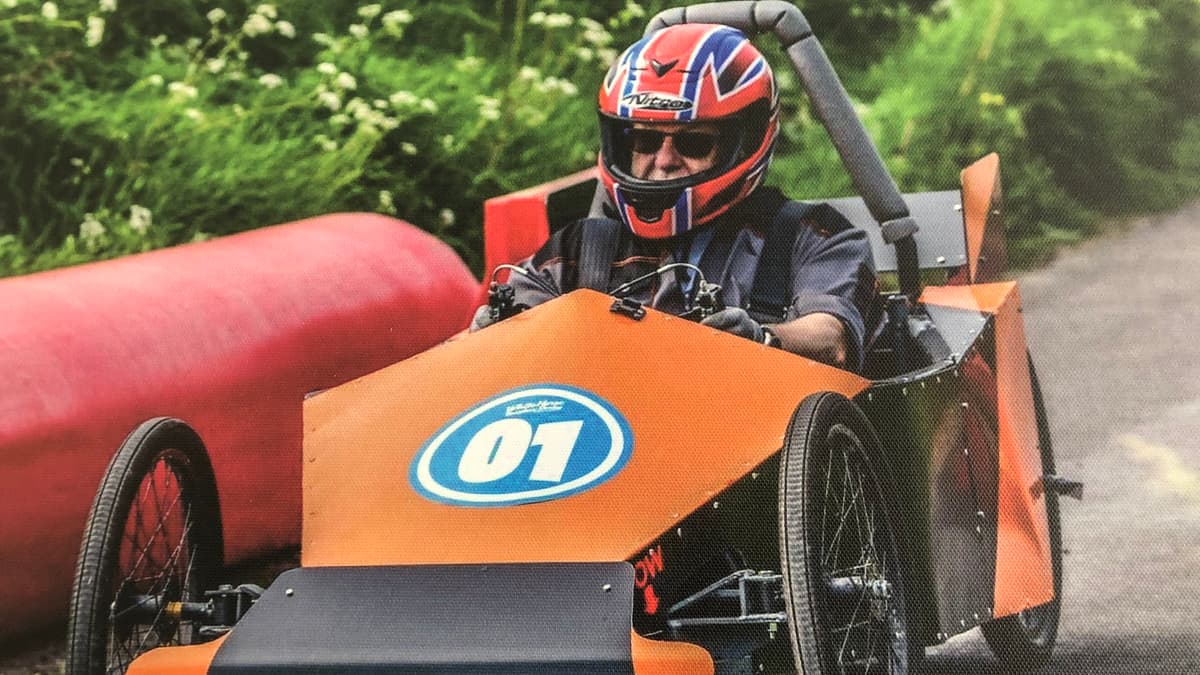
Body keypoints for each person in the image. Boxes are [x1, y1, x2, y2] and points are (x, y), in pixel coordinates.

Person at [473, 23, 878, 371]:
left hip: (751, 443)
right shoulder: (578, 249)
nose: (663, 162)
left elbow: (832, 339)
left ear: (745, 144)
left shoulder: (812, 236)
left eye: (694, 143)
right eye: (645, 141)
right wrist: (497, 333)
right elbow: (513, 324)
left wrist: (763, 339)